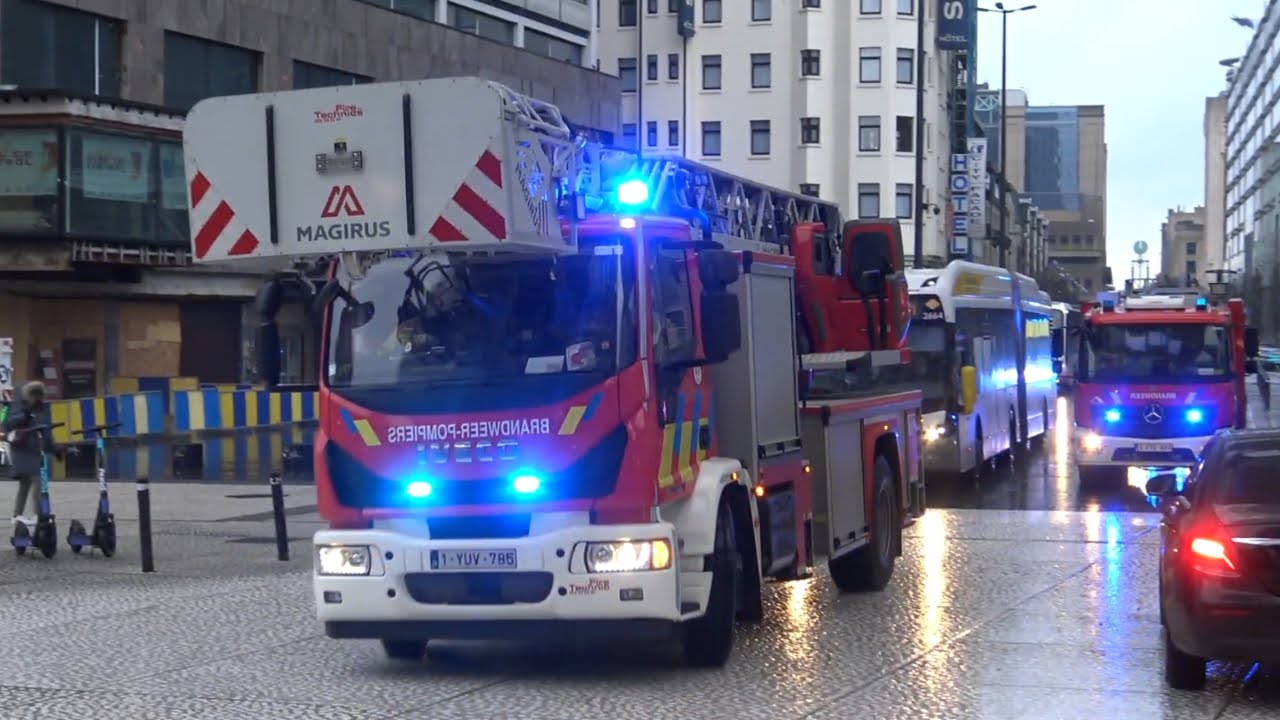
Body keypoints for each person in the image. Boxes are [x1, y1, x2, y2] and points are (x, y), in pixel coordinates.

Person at [4, 381, 55, 527]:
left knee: (27, 482)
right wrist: (25, 413)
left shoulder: (44, 409)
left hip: (37, 450)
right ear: (28, 395)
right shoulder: (20, 407)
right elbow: (9, 423)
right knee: (35, 479)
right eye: (33, 394)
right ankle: (37, 514)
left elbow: (47, 430)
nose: (37, 398)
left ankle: (18, 514)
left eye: (39, 394)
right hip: (22, 450)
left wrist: (53, 446)